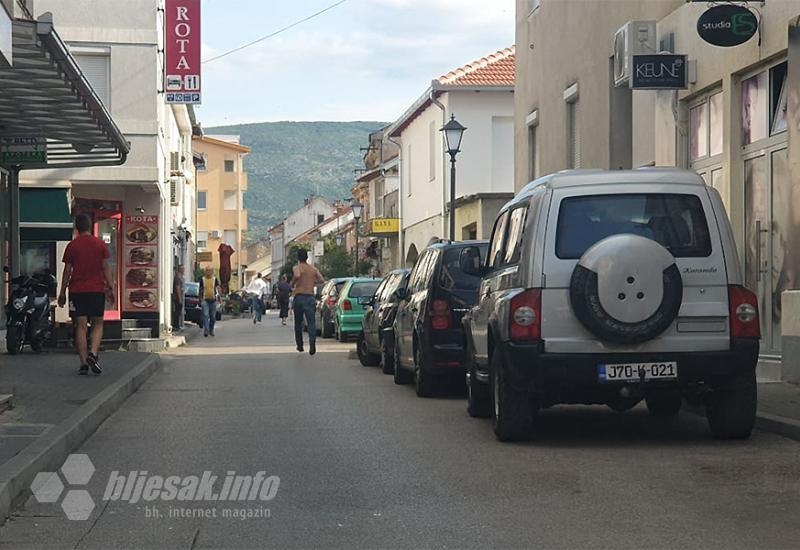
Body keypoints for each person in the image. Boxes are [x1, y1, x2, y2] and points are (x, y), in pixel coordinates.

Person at [57, 214, 114, 375]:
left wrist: (62, 292)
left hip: (77, 291)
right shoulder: (100, 244)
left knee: (80, 326)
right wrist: (110, 287)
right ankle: (93, 353)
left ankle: (83, 363)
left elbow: (67, 270)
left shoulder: (72, 246)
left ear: (77, 227)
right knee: (97, 324)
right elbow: (105, 267)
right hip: (96, 290)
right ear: (89, 226)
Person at [292, 249, 324, 355]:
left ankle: (300, 345)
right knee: (311, 323)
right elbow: (321, 280)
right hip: (310, 297)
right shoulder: (313, 269)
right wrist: (312, 282)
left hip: (299, 296)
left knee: (298, 322)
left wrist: (293, 283)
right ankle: (312, 343)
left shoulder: (297, 267)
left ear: (298, 257)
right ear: (306, 257)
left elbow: (297, 275)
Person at [199, 266, 221, 337]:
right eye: (207, 270)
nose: (208, 272)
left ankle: (211, 330)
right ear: (205, 272)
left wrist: (219, 297)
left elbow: (218, 288)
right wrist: (200, 299)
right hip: (205, 300)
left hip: (213, 300)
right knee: (205, 315)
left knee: (213, 317)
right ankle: (206, 331)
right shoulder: (202, 279)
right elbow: (201, 290)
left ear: (212, 272)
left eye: (210, 270)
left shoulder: (215, 279)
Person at [172, 266, 184, 331]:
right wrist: (180, 298)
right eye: (183, 269)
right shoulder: (178, 278)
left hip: (178, 297)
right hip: (177, 298)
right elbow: (178, 288)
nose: (184, 270)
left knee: (178, 312)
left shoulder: (180, 277)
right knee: (177, 312)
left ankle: (177, 325)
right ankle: (176, 325)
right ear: (180, 270)